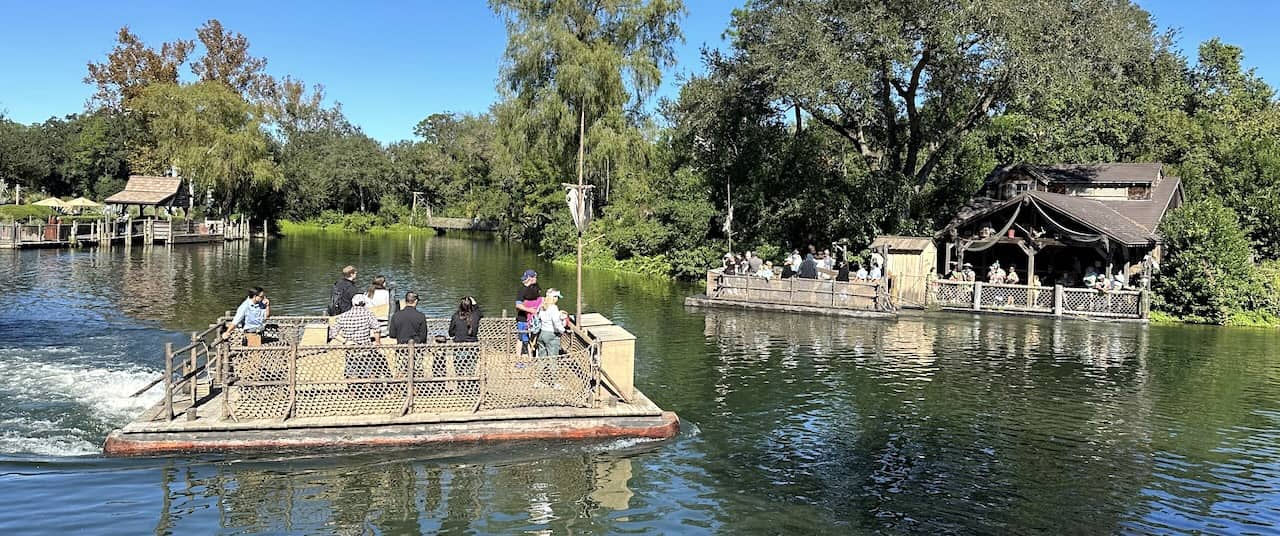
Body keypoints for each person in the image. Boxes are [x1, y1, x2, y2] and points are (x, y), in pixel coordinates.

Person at [515, 269, 542, 356]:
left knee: (531, 339)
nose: (536, 279)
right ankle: (519, 358)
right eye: (535, 277)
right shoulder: (522, 291)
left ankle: (531, 357)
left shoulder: (535, 289)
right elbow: (518, 305)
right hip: (523, 318)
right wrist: (530, 310)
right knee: (521, 339)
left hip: (533, 319)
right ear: (531, 278)